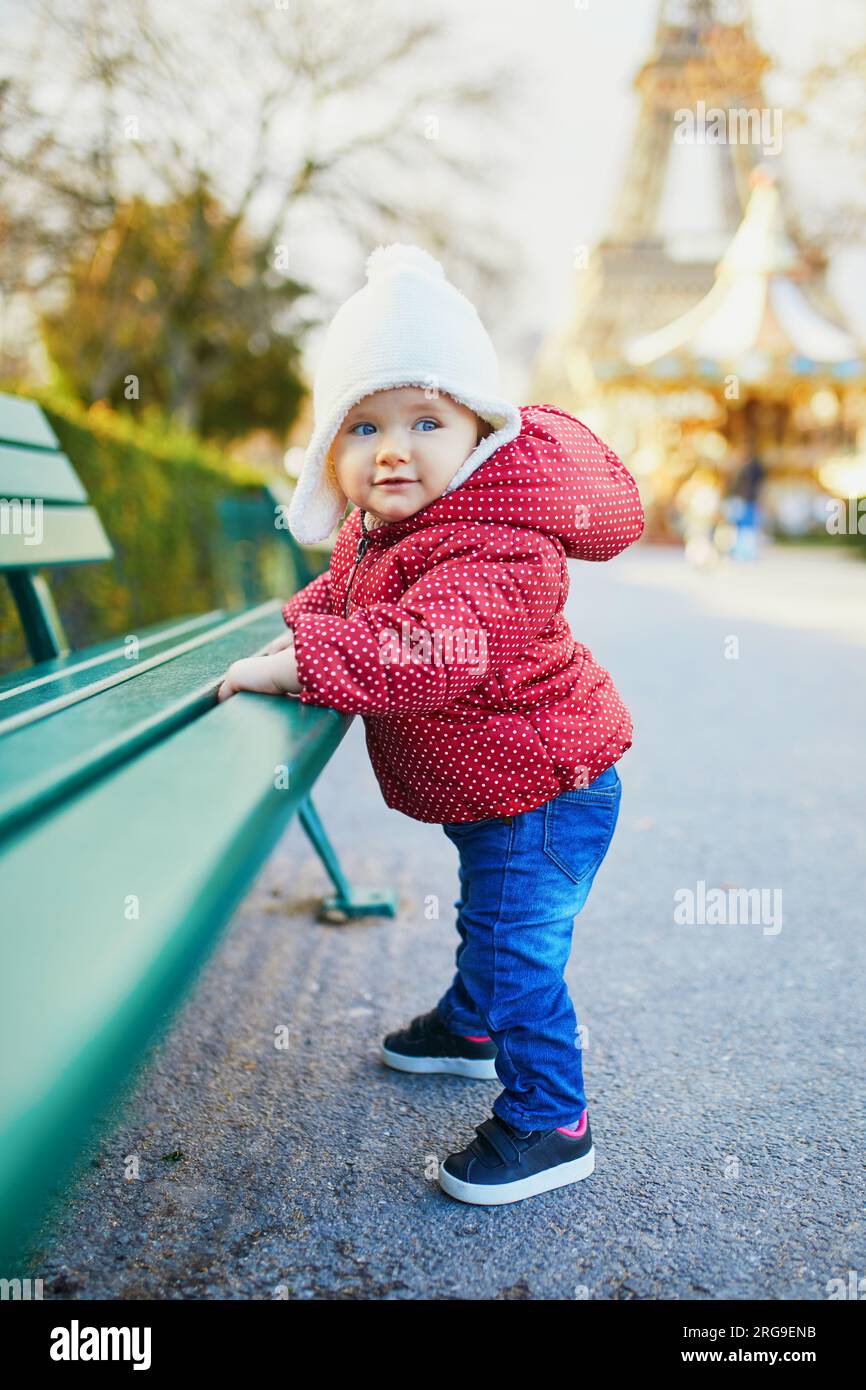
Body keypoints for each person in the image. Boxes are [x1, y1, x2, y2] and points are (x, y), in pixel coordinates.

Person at [216, 243, 644, 1205]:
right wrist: (312, 625)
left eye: (423, 419)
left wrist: (302, 663)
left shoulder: (502, 545)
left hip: (547, 791)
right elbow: (347, 593)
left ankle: (550, 1120)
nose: (393, 448)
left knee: (518, 950)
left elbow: (428, 647)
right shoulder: (387, 531)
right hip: (497, 786)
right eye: (363, 426)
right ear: (332, 450)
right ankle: (471, 1024)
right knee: (487, 910)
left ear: (480, 433)